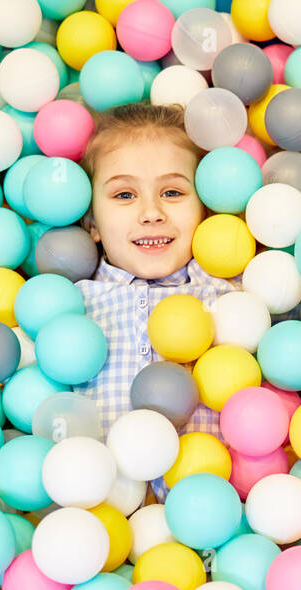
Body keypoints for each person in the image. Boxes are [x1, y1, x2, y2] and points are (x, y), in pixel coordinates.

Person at [73, 103, 237, 503]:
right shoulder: (72, 305)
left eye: (173, 192)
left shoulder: (230, 301)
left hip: (209, 514)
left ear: (205, 208)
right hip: (96, 521)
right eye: (125, 194)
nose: (151, 213)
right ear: (91, 223)